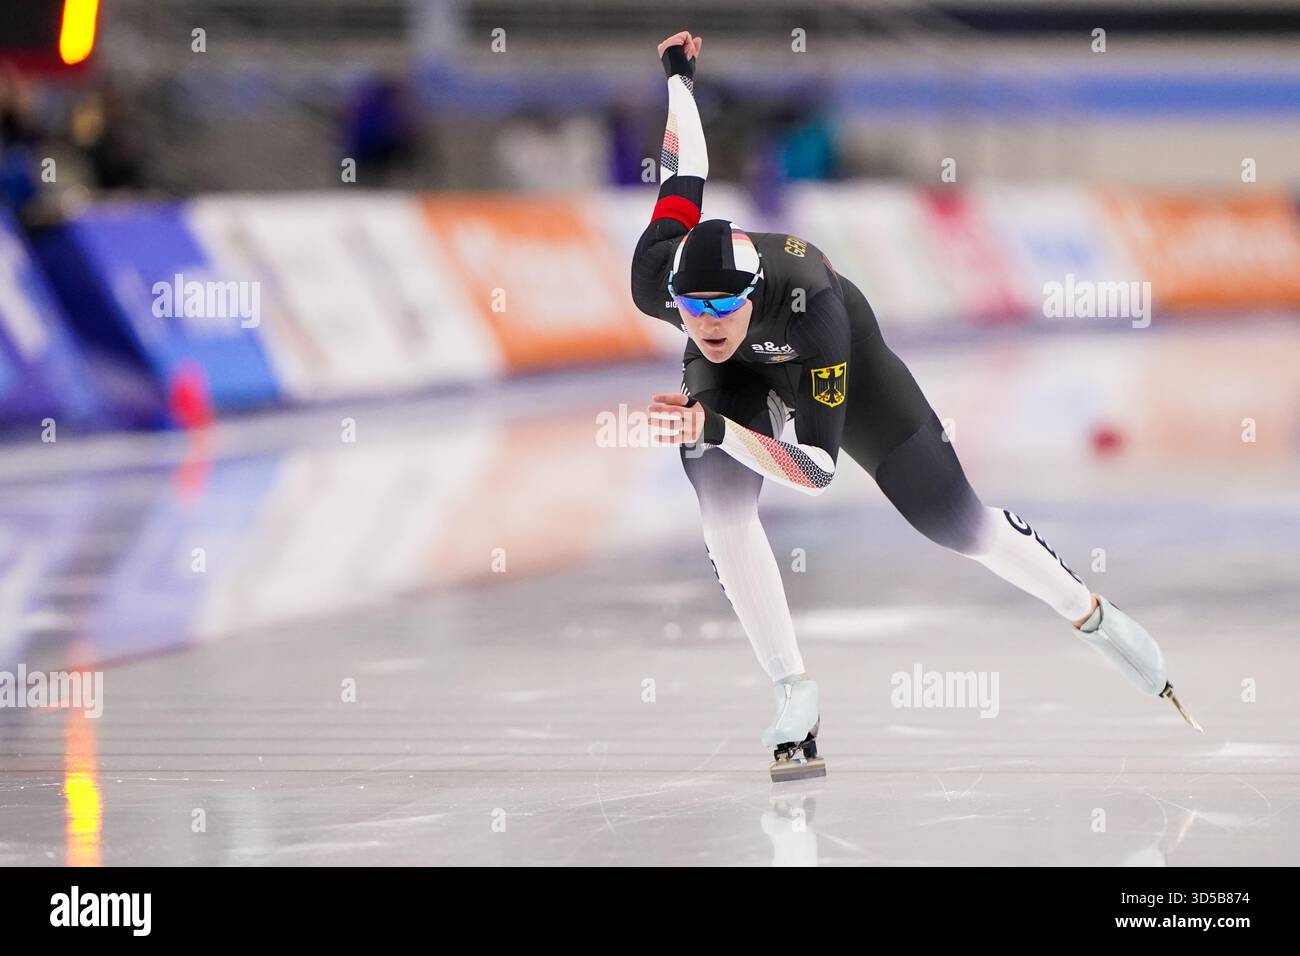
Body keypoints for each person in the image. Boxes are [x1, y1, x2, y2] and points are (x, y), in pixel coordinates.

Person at [629, 31, 1202, 782]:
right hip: (736, 383)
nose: (705, 323)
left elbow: (814, 472)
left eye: (721, 306)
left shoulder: (813, 309)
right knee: (724, 511)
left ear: (750, 292)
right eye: (690, 307)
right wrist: (679, 79)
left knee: (954, 523)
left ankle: (1091, 614)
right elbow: (684, 172)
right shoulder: (658, 277)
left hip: (845, 368)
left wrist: (712, 425)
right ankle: (793, 692)